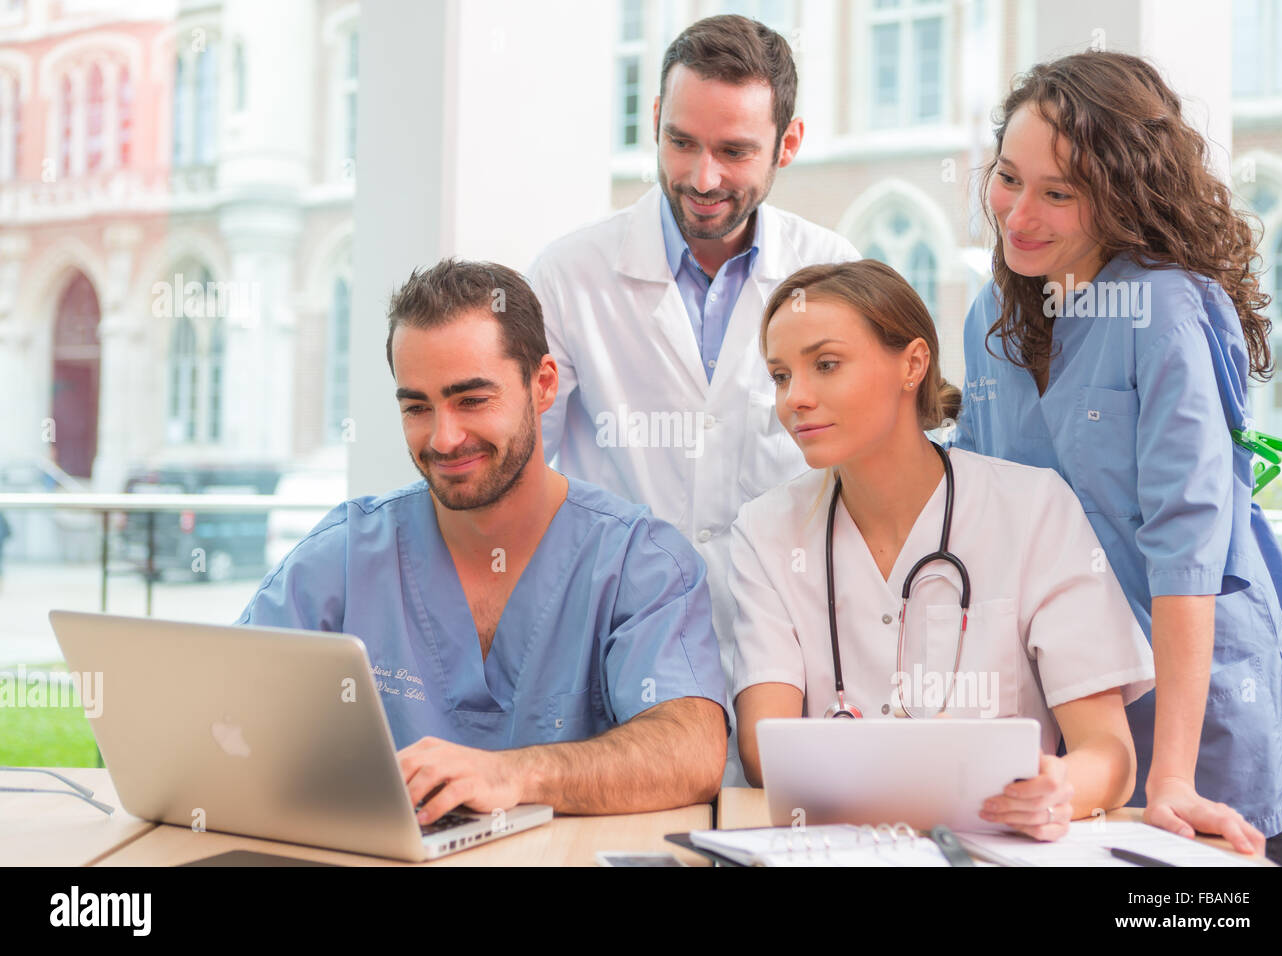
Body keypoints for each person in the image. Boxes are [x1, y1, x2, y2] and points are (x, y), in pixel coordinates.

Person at [950, 50, 1282, 865]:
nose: (1019, 215)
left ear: (1124, 196)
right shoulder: (990, 316)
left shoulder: (1169, 308)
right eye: (1009, 178)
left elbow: (1187, 547)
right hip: (1074, 721)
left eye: (1058, 194)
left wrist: (1171, 777)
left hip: (1197, 714)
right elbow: (976, 509)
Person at [237, 260, 727, 822]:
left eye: (471, 400)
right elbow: (227, 716)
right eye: (418, 407)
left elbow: (692, 752)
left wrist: (513, 775)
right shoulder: (345, 557)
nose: (444, 438)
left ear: (542, 385)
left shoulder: (639, 564)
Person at [530, 15, 859, 782]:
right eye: (681, 142)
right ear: (654, 123)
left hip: (789, 660)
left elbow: (874, 478)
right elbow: (521, 475)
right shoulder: (570, 277)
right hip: (613, 659)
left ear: (788, 143)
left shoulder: (837, 274)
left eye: (735, 151)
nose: (703, 177)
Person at [730, 260, 1156, 840]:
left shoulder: (1032, 509)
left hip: (993, 848)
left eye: (825, 365)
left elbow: (1110, 755)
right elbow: (764, 752)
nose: (795, 399)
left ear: (912, 363)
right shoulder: (766, 530)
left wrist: (1062, 787)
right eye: (780, 376)